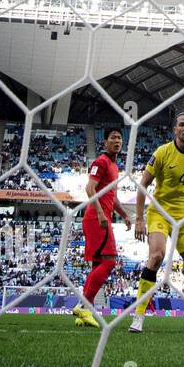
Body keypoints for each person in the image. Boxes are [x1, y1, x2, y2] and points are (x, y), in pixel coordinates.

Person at [131, 112, 184, 335]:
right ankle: (138, 316)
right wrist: (139, 219)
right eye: (182, 125)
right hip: (159, 213)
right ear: (175, 130)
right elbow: (143, 186)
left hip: (182, 217)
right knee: (157, 255)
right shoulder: (162, 152)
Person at [73, 128, 132, 328]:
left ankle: (83, 311)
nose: (117, 140)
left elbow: (112, 197)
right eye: (113, 137)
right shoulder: (101, 162)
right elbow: (89, 188)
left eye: (119, 138)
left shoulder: (114, 166)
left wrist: (124, 214)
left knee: (98, 265)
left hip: (100, 218)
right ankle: (84, 306)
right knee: (109, 262)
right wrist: (100, 213)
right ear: (105, 142)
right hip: (96, 218)